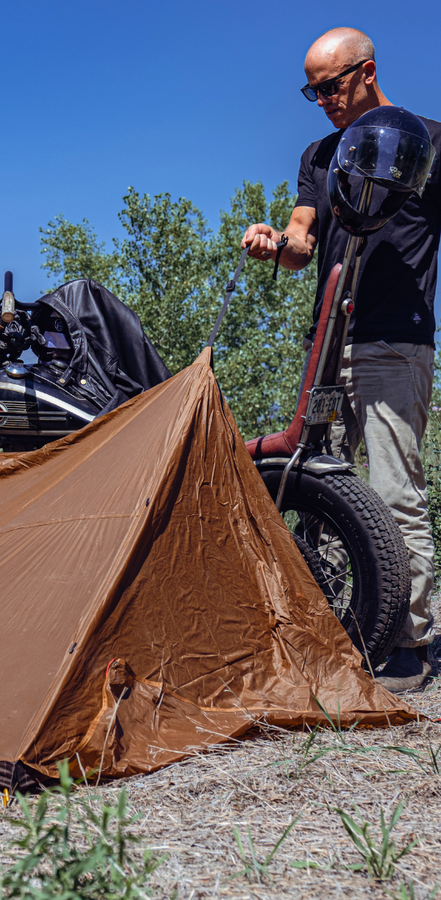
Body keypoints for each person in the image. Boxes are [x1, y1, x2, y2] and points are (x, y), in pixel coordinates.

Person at [243, 27, 441, 692]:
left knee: (391, 493)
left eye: (330, 86)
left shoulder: (430, 142)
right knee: (320, 485)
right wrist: (278, 244)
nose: (321, 99)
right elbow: (303, 239)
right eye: (312, 90)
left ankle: (410, 644)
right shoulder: (321, 154)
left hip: (393, 343)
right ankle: (338, 628)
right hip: (327, 347)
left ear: (368, 72)